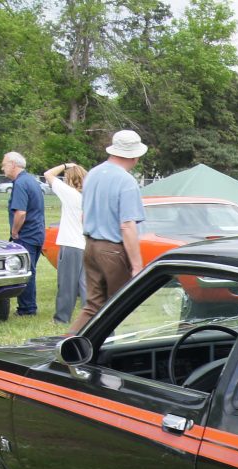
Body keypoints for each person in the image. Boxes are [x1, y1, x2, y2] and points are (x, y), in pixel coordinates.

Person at [69, 129, 148, 334]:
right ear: (135, 156)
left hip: (91, 246)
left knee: (93, 306)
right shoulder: (126, 181)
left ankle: (66, 346)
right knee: (121, 307)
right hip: (113, 250)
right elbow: (127, 225)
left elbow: (84, 215)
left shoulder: (93, 174)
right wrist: (137, 266)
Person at [42, 161, 87, 325]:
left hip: (71, 244)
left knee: (67, 284)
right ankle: (91, 316)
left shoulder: (70, 194)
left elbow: (48, 174)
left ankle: (61, 318)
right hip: (85, 245)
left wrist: (65, 165)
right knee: (85, 284)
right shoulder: (87, 197)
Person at [2, 151, 46, 316]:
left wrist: (14, 232)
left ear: (13, 164)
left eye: (4, 164)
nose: (3, 167)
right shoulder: (32, 181)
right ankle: (27, 306)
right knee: (30, 270)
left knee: (26, 271)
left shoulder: (20, 183)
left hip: (26, 235)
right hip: (37, 233)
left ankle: (27, 308)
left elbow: (20, 213)